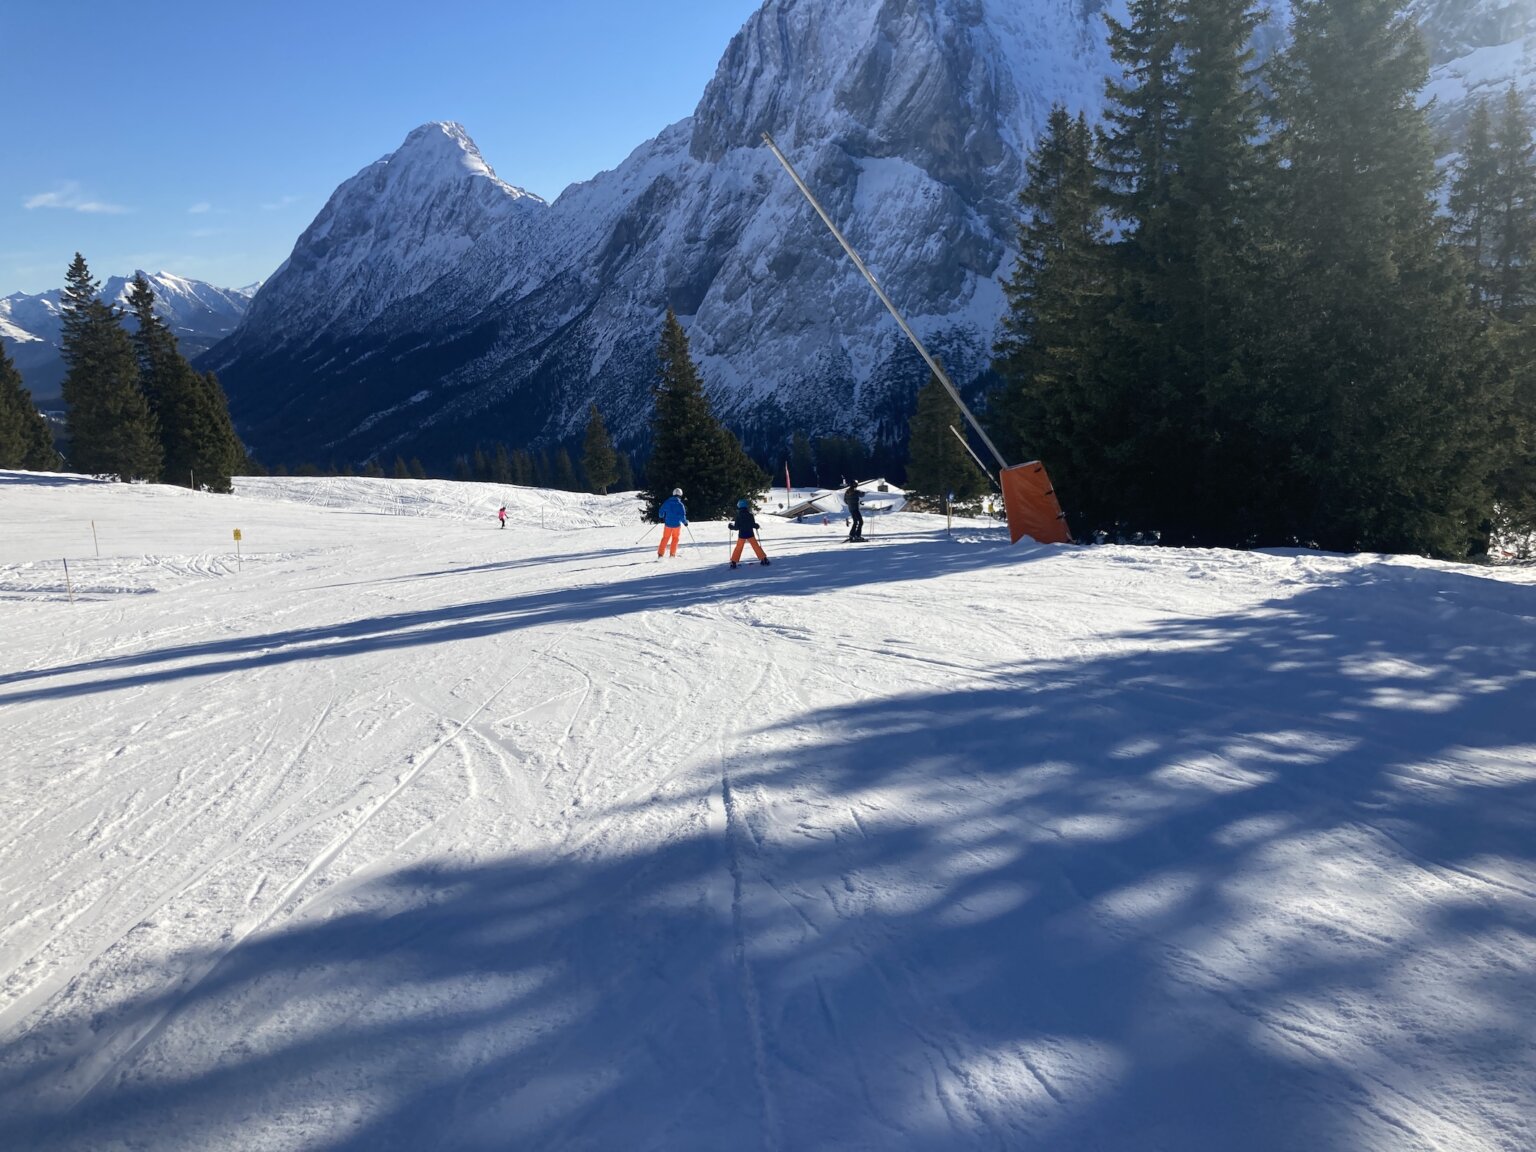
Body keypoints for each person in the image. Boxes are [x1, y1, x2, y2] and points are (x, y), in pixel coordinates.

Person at [729, 499, 770, 568]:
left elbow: (736, 527)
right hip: (750, 534)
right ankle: (764, 559)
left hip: (742, 535)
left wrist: (731, 527)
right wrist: (756, 526)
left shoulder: (738, 516)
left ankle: (733, 562)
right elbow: (752, 524)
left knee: (738, 548)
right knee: (756, 546)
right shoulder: (750, 515)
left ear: (739, 506)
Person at [658, 487, 687, 558]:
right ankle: (672, 554)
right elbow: (682, 515)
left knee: (665, 538)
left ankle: (660, 554)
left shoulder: (667, 502)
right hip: (676, 525)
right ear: (680, 495)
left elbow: (661, 510)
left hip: (668, 524)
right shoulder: (680, 504)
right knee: (675, 538)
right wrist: (685, 522)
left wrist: (661, 517)